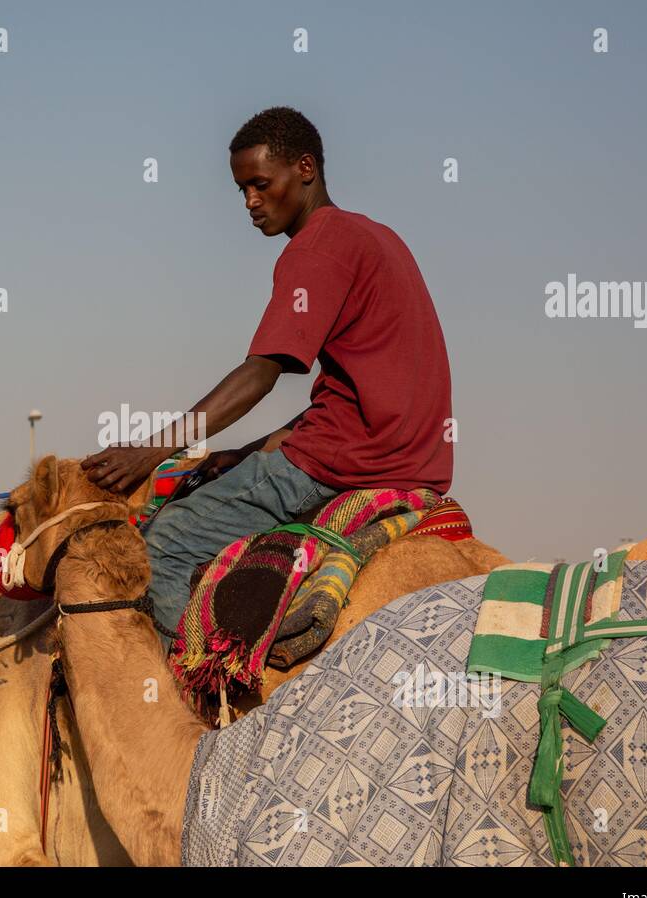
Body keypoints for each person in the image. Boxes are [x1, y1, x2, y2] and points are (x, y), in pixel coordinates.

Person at [82, 106, 454, 643]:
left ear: (306, 168)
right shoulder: (377, 238)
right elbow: (349, 397)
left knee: (166, 541)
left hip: (349, 463)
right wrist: (250, 450)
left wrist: (152, 450)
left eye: (260, 184)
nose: (251, 202)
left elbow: (262, 371)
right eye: (242, 191)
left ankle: (175, 710)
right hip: (416, 461)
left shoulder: (317, 247)